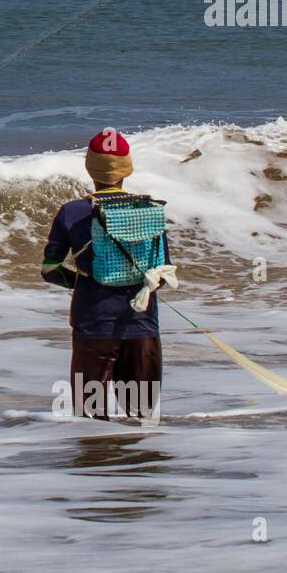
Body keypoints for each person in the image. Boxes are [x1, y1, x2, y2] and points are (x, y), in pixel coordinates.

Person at [40, 129, 169, 419]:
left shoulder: (72, 212)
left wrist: (84, 283)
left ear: (89, 166)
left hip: (93, 326)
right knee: (142, 418)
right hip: (142, 327)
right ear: (128, 167)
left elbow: (49, 270)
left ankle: (98, 465)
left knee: (90, 420)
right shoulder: (149, 210)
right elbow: (161, 273)